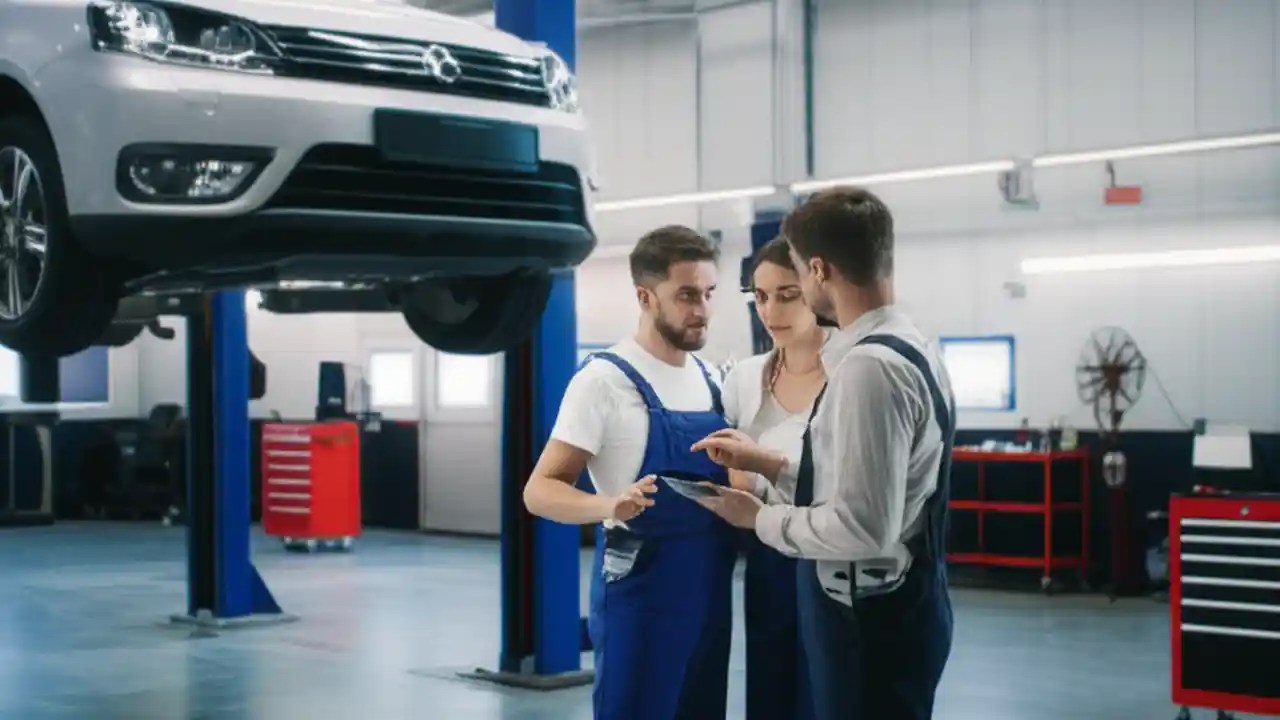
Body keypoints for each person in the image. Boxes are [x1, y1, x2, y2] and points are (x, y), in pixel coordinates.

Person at [692, 187, 957, 720]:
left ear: (817, 270)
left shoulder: (866, 369)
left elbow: (862, 528)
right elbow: (869, 481)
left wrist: (762, 518)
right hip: (903, 604)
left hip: (868, 619)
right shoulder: (914, 346)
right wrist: (772, 465)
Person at [522, 225, 736, 720]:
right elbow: (539, 490)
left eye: (708, 293)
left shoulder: (713, 381)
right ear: (645, 296)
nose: (701, 309)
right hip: (641, 594)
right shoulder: (603, 382)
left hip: (710, 591)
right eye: (686, 295)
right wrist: (607, 506)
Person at [722, 235, 829, 720]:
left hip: (831, 556)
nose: (770, 310)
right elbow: (735, 471)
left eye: (787, 294)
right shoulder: (744, 378)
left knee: (823, 690)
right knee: (768, 688)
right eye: (760, 297)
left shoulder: (855, 374)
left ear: (816, 287)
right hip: (766, 556)